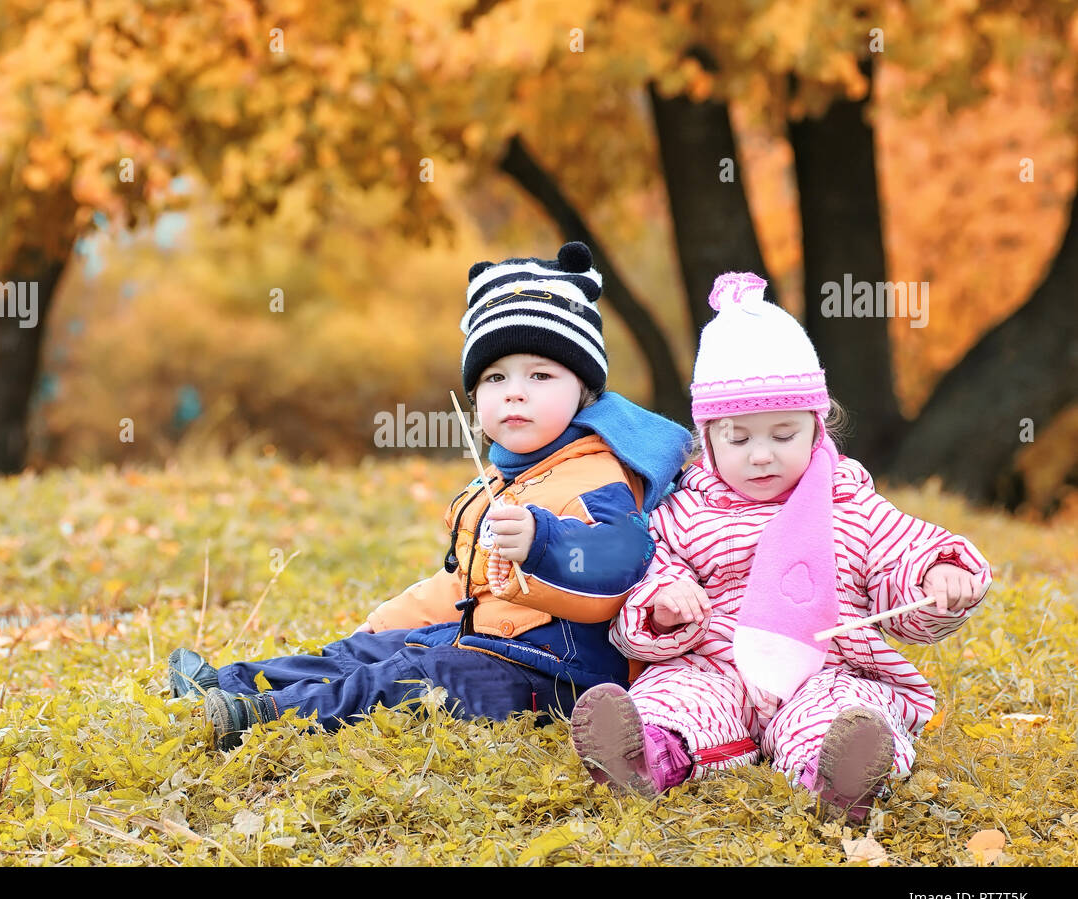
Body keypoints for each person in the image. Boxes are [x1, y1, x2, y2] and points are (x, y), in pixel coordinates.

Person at [167, 241, 692, 750]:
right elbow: (460, 584)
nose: (514, 391)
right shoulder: (505, 477)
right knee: (373, 648)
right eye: (494, 377)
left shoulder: (597, 472)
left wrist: (542, 541)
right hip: (486, 642)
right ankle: (229, 683)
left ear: (584, 392)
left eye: (540, 374)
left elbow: (621, 568)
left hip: (556, 673)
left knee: (415, 677)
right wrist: (388, 620)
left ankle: (263, 719)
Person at [570, 271, 992, 823]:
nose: (761, 456)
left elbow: (902, 553)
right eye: (739, 439)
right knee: (677, 698)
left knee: (842, 712)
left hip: (828, 669)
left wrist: (938, 575)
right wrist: (664, 604)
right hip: (716, 665)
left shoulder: (849, 504)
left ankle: (842, 781)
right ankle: (644, 756)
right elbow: (648, 577)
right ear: (707, 438)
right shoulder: (688, 511)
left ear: (818, 429)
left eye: (783, 435)